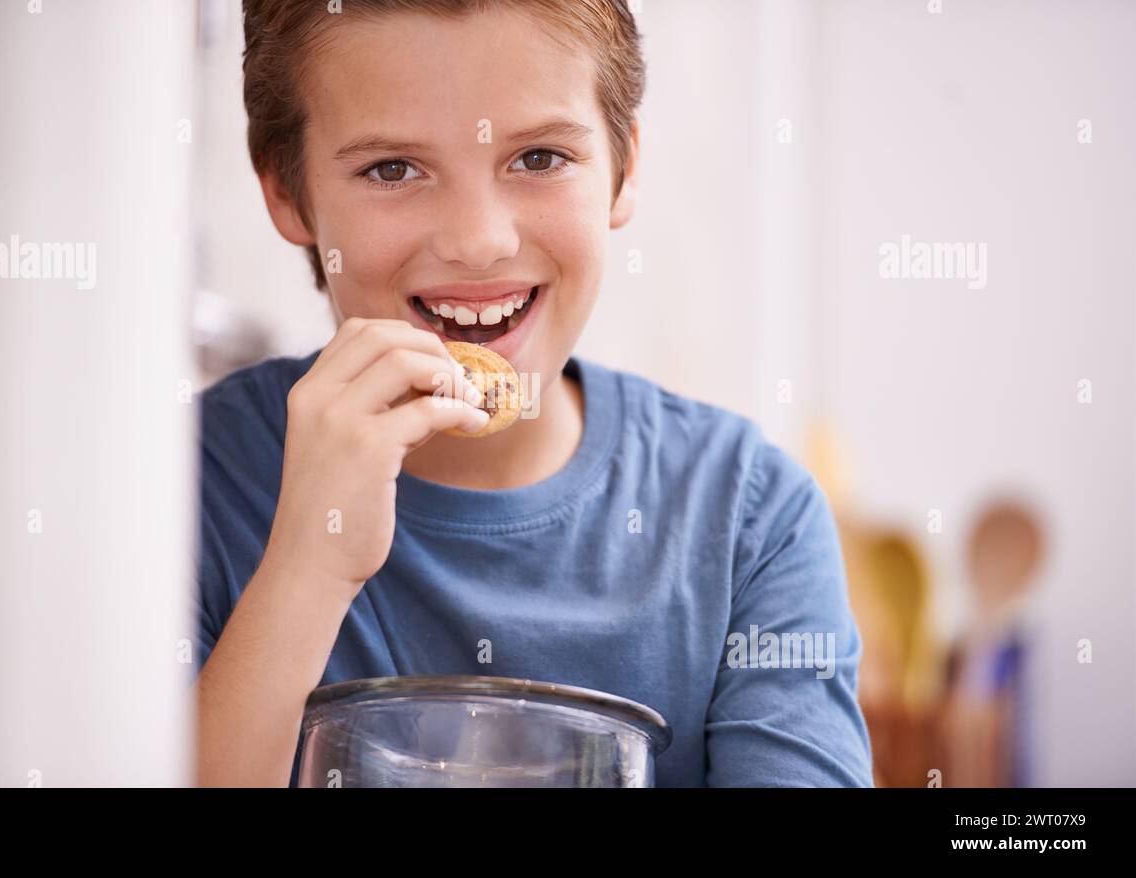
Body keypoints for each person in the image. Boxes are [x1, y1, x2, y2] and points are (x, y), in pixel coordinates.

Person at [194, 0, 873, 788]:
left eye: (541, 158)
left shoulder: (751, 520)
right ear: (285, 189)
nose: (479, 239)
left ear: (624, 168)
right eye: (391, 168)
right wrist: (308, 567)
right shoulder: (190, 485)